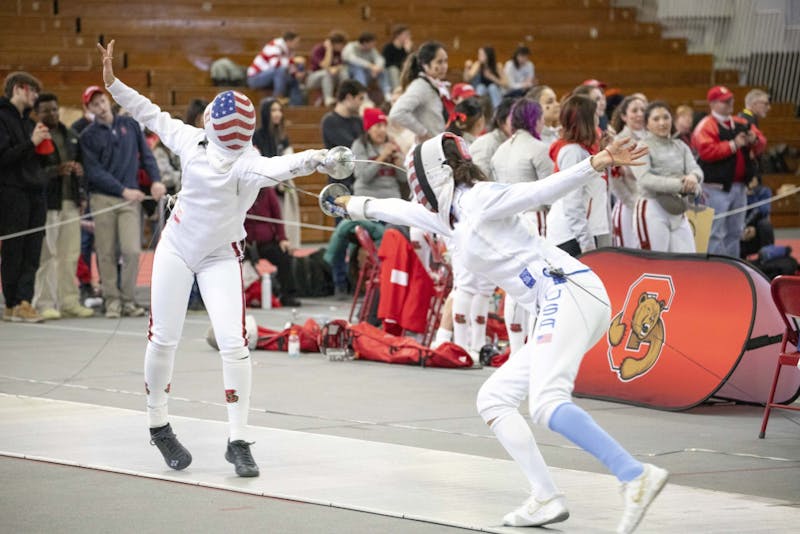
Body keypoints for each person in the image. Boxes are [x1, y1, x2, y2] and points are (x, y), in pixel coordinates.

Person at [335, 132, 666, 534]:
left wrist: (594, 163)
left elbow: (540, 189)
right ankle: (545, 497)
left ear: (433, 175)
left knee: (546, 403)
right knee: (494, 399)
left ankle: (633, 475)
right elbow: (401, 210)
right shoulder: (450, 215)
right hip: (560, 302)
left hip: (570, 291)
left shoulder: (478, 197)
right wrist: (348, 204)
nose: (417, 193)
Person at [95, 40, 330, 477]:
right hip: (178, 251)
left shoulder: (247, 162)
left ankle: (238, 440)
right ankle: (158, 424)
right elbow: (149, 112)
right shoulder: (198, 143)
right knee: (164, 338)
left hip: (221, 256)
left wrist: (317, 158)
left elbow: (283, 166)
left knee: (234, 344)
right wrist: (114, 85)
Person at [80, 84, 164, 318]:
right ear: (89, 109)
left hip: (130, 200)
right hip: (103, 199)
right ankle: (112, 300)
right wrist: (122, 190)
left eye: (102, 101)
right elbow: (94, 172)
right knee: (105, 252)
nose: (101, 106)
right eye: (95, 104)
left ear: (108, 101)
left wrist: (155, 180)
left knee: (131, 250)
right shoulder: (88, 136)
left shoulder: (130, 125)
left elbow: (146, 156)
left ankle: (128, 299)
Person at [491, 98, 554, 354]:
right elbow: (551, 192)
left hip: (507, 223)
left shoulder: (499, 151)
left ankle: (517, 350)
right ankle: (530, 352)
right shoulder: (539, 149)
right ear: (534, 119)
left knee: (514, 284)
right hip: (533, 220)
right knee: (535, 286)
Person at [31, 93, 94, 320]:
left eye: (55, 109)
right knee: (47, 254)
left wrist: (79, 176)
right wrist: (55, 171)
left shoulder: (70, 135)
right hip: (48, 203)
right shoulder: (35, 137)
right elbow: (31, 172)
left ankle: (69, 301)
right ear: (37, 114)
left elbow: (83, 167)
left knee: (70, 255)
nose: (52, 114)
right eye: (47, 110)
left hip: (71, 201)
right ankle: (44, 302)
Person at [692, 85, 766, 257]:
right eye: (724, 102)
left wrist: (754, 140)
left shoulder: (741, 122)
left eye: (730, 100)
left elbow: (762, 141)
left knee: (735, 231)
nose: (729, 104)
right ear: (713, 104)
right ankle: (716, 270)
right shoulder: (706, 125)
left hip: (739, 186)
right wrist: (734, 145)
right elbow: (706, 151)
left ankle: (732, 267)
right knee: (715, 232)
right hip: (715, 188)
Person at [0, 71, 47, 323]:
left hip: (35, 193)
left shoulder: (30, 123)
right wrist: (31, 143)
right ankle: (12, 302)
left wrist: (42, 146)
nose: (36, 97)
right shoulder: (2, 118)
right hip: (11, 193)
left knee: (33, 250)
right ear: (19, 88)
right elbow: (4, 158)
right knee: (14, 249)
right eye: (33, 91)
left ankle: (24, 301)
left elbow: (37, 161)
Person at [632, 101, 703, 252]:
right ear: (647, 124)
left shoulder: (681, 146)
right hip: (652, 208)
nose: (662, 123)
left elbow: (695, 169)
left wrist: (693, 178)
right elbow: (645, 179)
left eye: (666, 117)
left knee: (687, 261)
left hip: (678, 210)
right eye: (656, 119)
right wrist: (680, 184)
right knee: (655, 265)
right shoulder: (641, 146)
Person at [545, 95, 603, 257]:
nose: (598, 118)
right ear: (586, 120)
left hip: (574, 231)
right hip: (570, 235)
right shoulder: (573, 153)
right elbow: (572, 202)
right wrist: (586, 242)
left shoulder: (579, 150)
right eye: (595, 114)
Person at [254, 98, 300, 248]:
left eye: (279, 110)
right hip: (265, 189)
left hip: (283, 187)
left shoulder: (282, 137)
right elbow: (258, 163)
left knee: (287, 223)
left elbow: (290, 160)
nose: (277, 114)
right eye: (273, 110)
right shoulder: (257, 136)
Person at [245, 186, 301, 307]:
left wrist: (282, 239)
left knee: (284, 256)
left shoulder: (268, 191)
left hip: (266, 242)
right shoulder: (241, 191)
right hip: (245, 243)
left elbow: (277, 217)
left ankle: (289, 295)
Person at [389, 41, 450, 144]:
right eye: (439, 62)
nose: (444, 66)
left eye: (445, 61)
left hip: (439, 145)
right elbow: (397, 112)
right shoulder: (420, 86)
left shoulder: (437, 85)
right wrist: (422, 132)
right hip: (429, 148)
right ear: (425, 65)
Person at [610, 94, 647, 249]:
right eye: (634, 110)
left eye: (643, 110)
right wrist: (633, 204)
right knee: (629, 254)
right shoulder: (618, 142)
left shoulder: (654, 138)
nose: (639, 114)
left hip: (651, 207)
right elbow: (615, 181)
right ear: (624, 116)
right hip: (629, 206)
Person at [351, 107, 405, 199]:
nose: (383, 130)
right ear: (369, 129)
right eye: (378, 126)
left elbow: (403, 178)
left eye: (384, 126)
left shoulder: (392, 144)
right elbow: (364, 177)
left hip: (391, 196)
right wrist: (383, 156)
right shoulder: (360, 145)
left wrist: (399, 164)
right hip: (366, 195)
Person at [246, 31, 305, 106]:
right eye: (296, 42)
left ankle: (296, 105)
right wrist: (294, 61)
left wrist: (296, 74)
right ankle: (278, 97)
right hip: (255, 78)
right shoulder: (274, 45)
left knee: (293, 79)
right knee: (280, 70)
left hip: (271, 77)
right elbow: (275, 64)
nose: (298, 45)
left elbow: (288, 67)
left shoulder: (289, 51)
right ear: (289, 41)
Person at [469, 95, 515, 177]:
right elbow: (479, 179)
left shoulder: (516, 142)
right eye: (515, 119)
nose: (520, 123)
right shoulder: (486, 144)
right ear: (501, 121)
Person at [342, 32, 392, 104]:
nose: (374, 45)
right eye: (372, 43)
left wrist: (377, 68)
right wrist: (370, 66)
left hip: (367, 72)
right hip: (350, 72)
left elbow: (379, 59)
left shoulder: (371, 49)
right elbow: (353, 59)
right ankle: (364, 95)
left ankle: (387, 93)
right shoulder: (351, 47)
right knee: (359, 69)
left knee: (382, 70)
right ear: (365, 43)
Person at [306, 31, 349, 107]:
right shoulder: (318, 49)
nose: (342, 47)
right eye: (341, 45)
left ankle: (343, 97)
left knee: (344, 72)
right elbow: (325, 65)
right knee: (327, 73)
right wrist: (329, 50)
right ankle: (328, 99)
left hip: (332, 78)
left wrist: (336, 68)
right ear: (334, 44)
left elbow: (343, 65)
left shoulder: (340, 52)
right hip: (314, 78)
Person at [382, 25, 413, 92]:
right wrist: (400, 65)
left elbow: (410, 62)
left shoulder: (406, 49)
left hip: (402, 70)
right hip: (390, 70)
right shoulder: (388, 47)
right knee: (393, 69)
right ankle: (398, 91)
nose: (408, 37)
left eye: (409, 35)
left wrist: (407, 52)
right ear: (398, 35)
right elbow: (386, 63)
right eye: (406, 34)